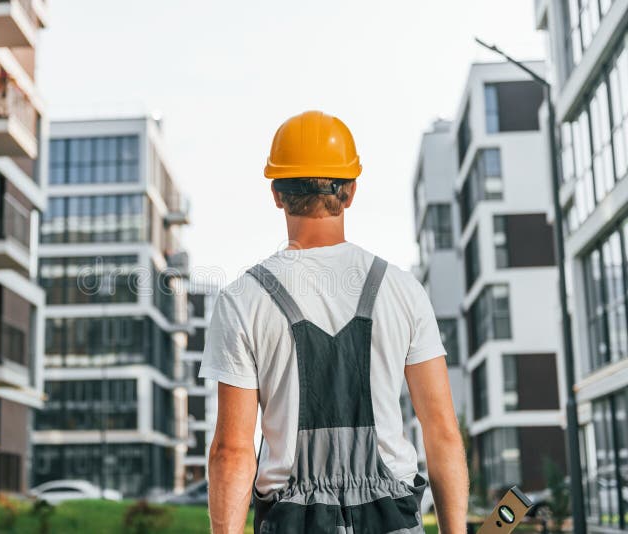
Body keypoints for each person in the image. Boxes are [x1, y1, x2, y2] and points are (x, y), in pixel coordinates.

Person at [200, 111, 468, 534]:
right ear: (351, 191)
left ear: (276, 193)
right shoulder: (402, 290)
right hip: (391, 519)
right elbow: (442, 435)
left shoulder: (242, 299)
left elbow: (232, 452)